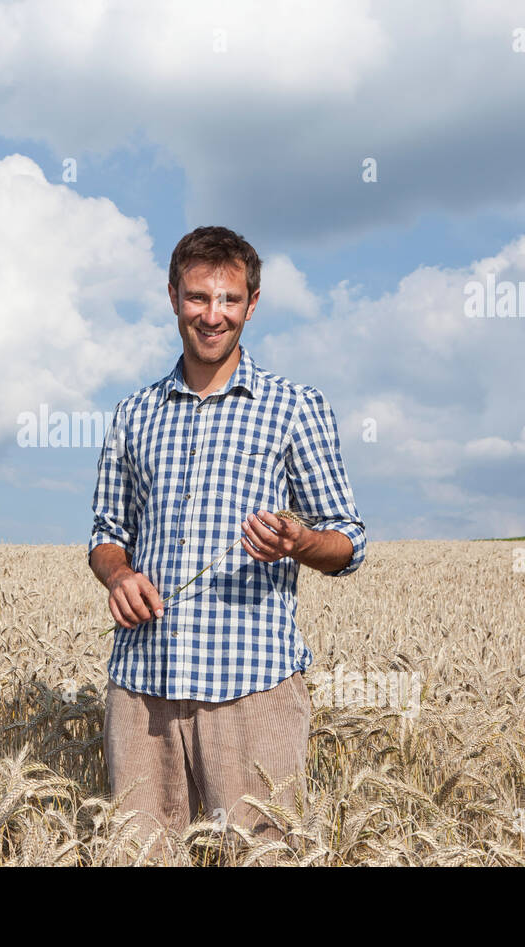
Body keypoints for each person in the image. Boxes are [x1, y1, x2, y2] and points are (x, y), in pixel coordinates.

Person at [87, 225, 366, 861]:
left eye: (229, 301)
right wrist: (119, 575)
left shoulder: (295, 407)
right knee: (138, 857)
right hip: (143, 684)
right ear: (172, 297)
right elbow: (107, 533)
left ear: (253, 303)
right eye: (197, 298)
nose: (212, 316)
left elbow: (349, 541)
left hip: (253, 687)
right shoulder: (135, 413)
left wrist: (299, 541)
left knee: (262, 856)